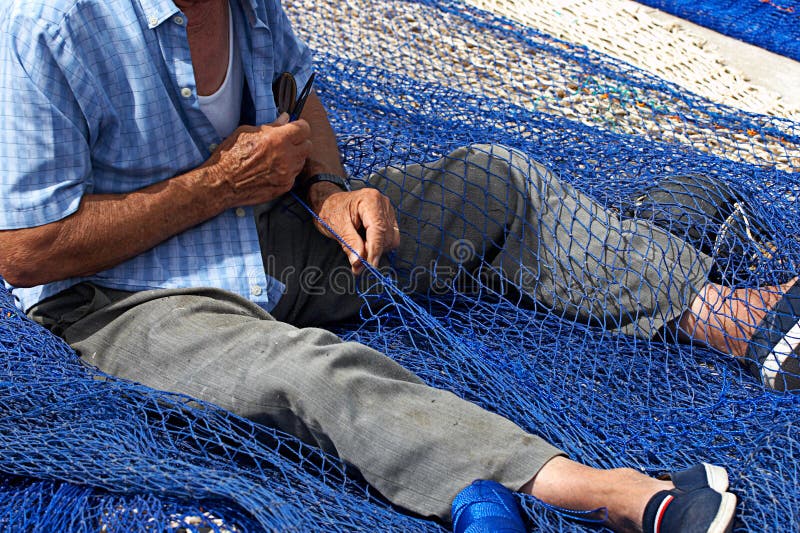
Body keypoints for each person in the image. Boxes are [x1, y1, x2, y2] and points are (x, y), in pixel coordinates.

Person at [2, 0, 798, 531]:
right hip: (126, 297)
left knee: (497, 182)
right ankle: (600, 491)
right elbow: (23, 251)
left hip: (273, 231)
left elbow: (297, 99)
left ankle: (724, 315)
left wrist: (331, 189)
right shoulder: (44, 29)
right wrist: (215, 187)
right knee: (313, 369)